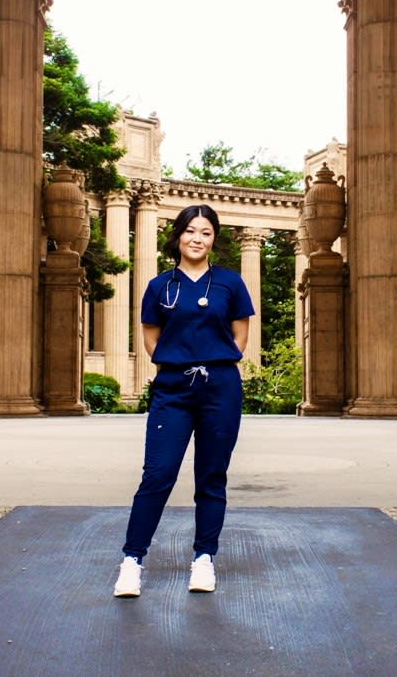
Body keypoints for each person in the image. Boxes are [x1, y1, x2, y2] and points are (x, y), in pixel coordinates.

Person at [113, 203, 254, 598]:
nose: (198, 238)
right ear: (177, 236)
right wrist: (179, 362)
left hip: (220, 387)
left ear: (214, 239)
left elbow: (239, 337)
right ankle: (131, 561)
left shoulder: (230, 283)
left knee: (211, 476)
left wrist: (212, 360)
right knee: (157, 474)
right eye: (191, 231)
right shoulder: (160, 286)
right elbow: (151, 337)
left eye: (206, 232)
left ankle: (204, 560)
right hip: (173, 389)